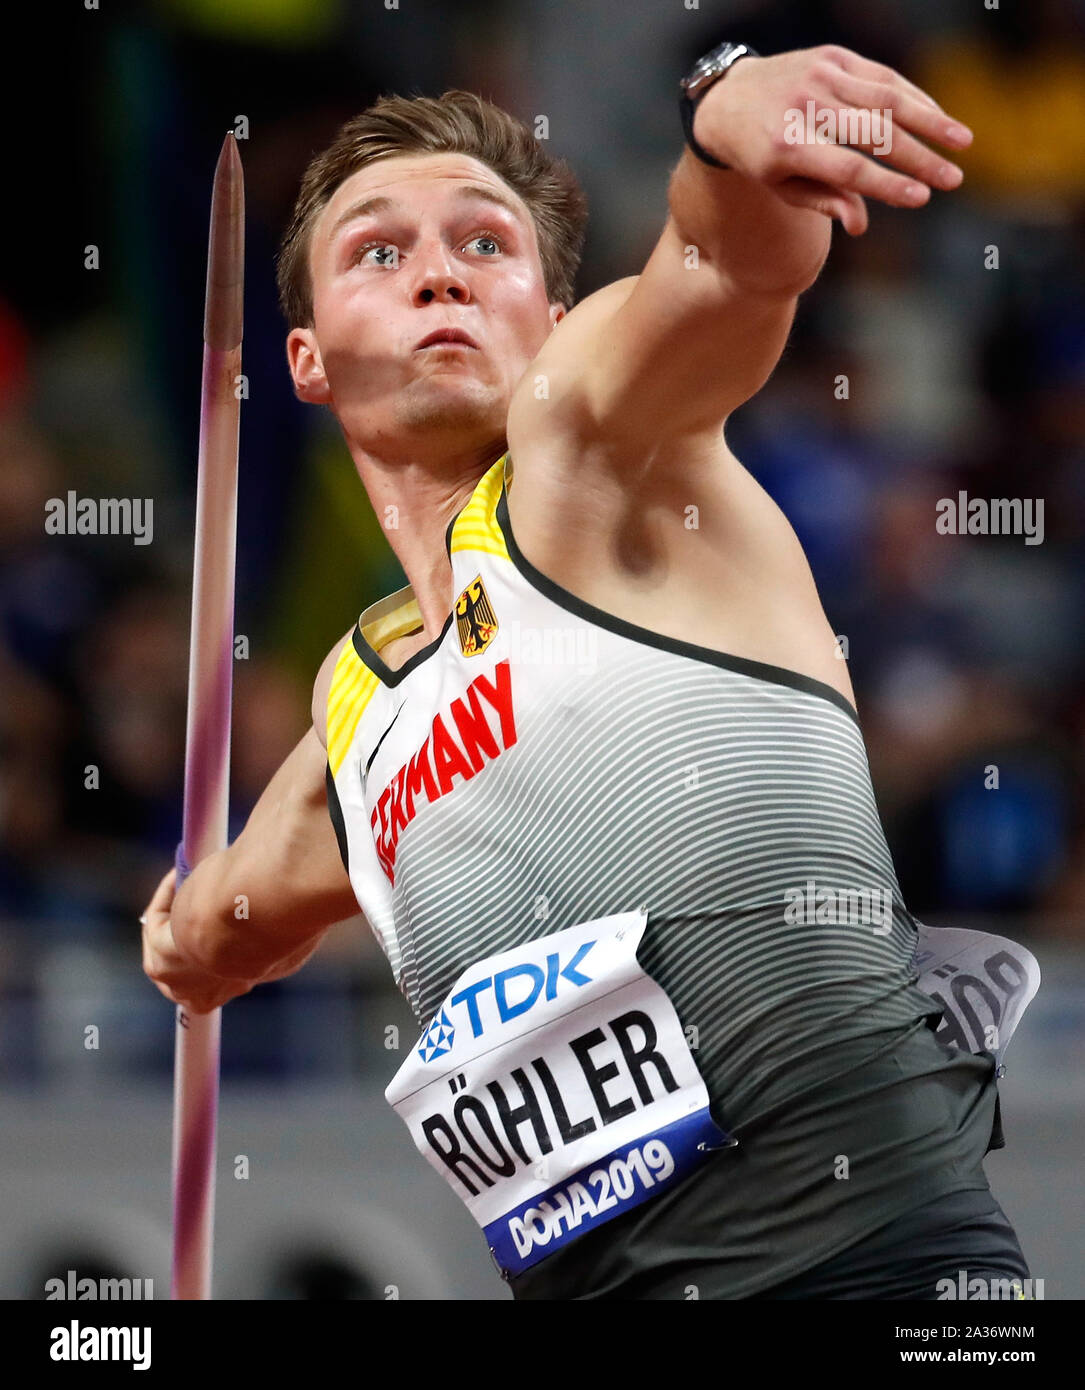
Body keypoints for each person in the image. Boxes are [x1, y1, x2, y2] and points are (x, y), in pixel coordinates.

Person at [142, 42, 1038, 1300]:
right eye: (377, 254)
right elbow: (219, 930)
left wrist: (723, 123)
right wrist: (181, 937)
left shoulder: (596, 451)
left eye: (485, 244)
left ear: (553, 323)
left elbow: (724, 265)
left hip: (872, 1274)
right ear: (304, 360)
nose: (439, 272)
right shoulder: (356, 719)